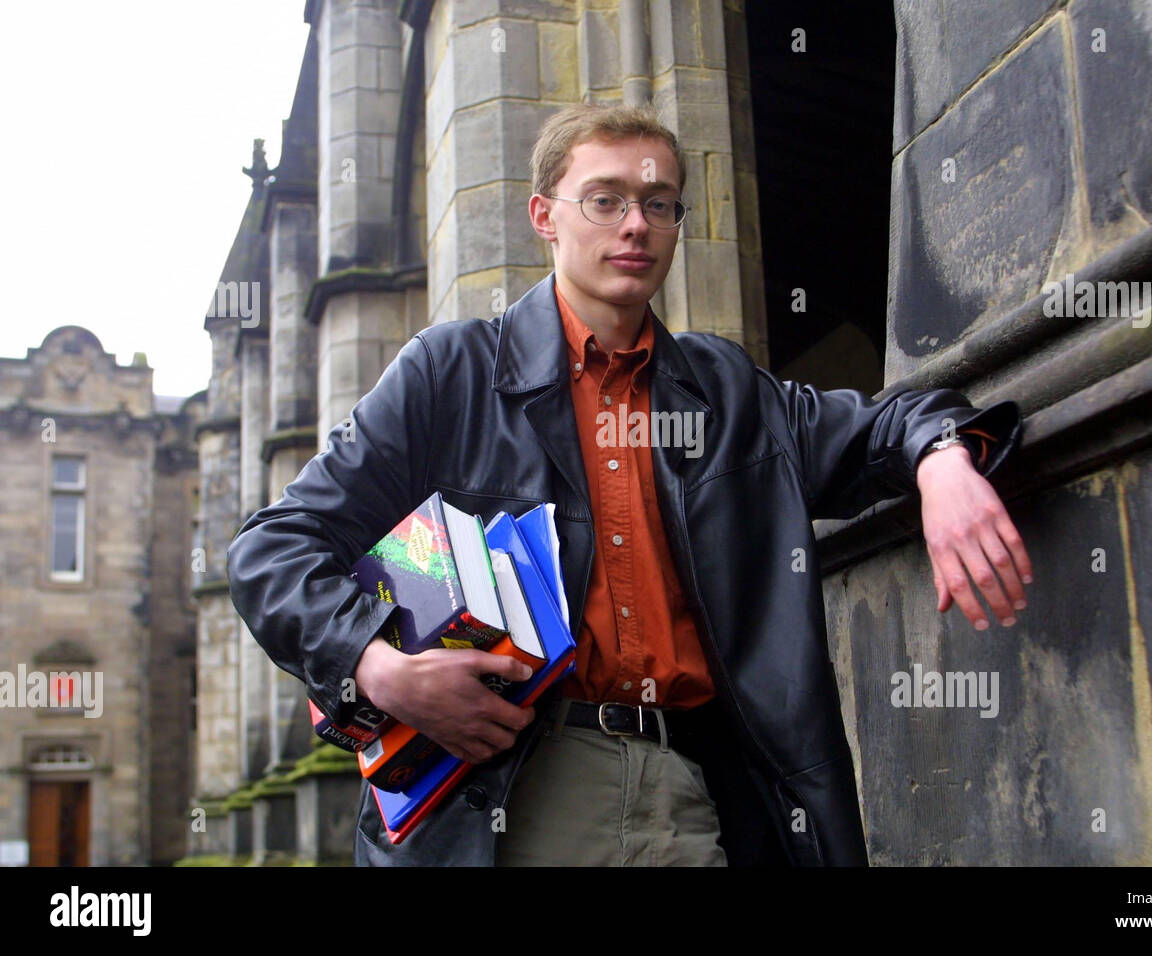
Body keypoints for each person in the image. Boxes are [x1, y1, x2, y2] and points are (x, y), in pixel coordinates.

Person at [226, 102, 1032, 867]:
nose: (637, 224)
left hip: (692, 791)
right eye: (605, 200)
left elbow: (889, 424)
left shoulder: (728, 392)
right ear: (544, 216)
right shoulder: (451, 372)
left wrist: (943, 461)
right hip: (511, 790)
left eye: (659, 203)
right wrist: (377, 668)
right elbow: (273, 549)